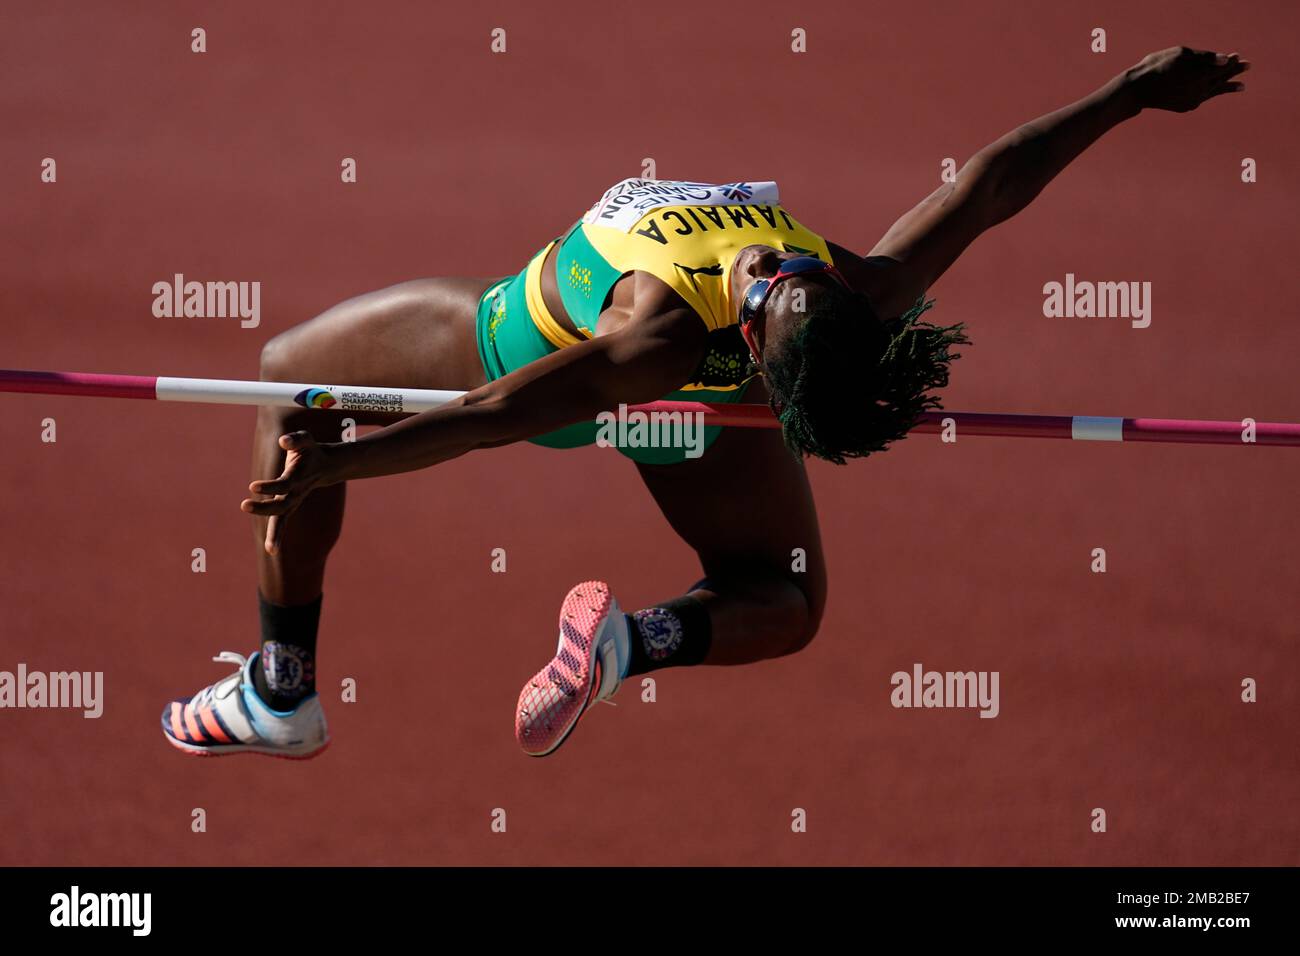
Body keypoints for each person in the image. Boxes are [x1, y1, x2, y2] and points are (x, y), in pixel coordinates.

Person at [159, 47, 1248, 759]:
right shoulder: (862, 291)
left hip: (534, 349)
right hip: (696, 422)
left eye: (778, 286)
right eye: (799, 273)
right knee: (786, 600)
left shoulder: (659, 330)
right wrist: (1127, 95)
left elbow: (497, 409)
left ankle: (281, 689)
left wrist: (346, 460)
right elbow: (991, 186)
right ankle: (629, 647)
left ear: (765, 334)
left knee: (286, 373)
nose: (783, 260)